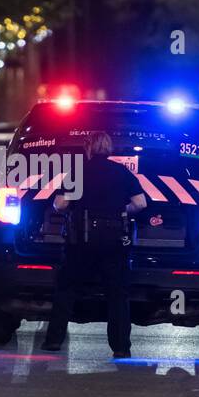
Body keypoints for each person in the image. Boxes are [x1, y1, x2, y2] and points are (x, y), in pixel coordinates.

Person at [43, 131, 147, 357]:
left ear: (88, 147)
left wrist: (64, 203)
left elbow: (60, 204)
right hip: (114, 242)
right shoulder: (122, 172)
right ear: (109, 149)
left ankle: (53, 341)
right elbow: (140, 203)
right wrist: (121, 210)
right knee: (118, 295)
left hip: (82, 241)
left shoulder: (79, 172)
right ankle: (121, 348)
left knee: (66, 289)